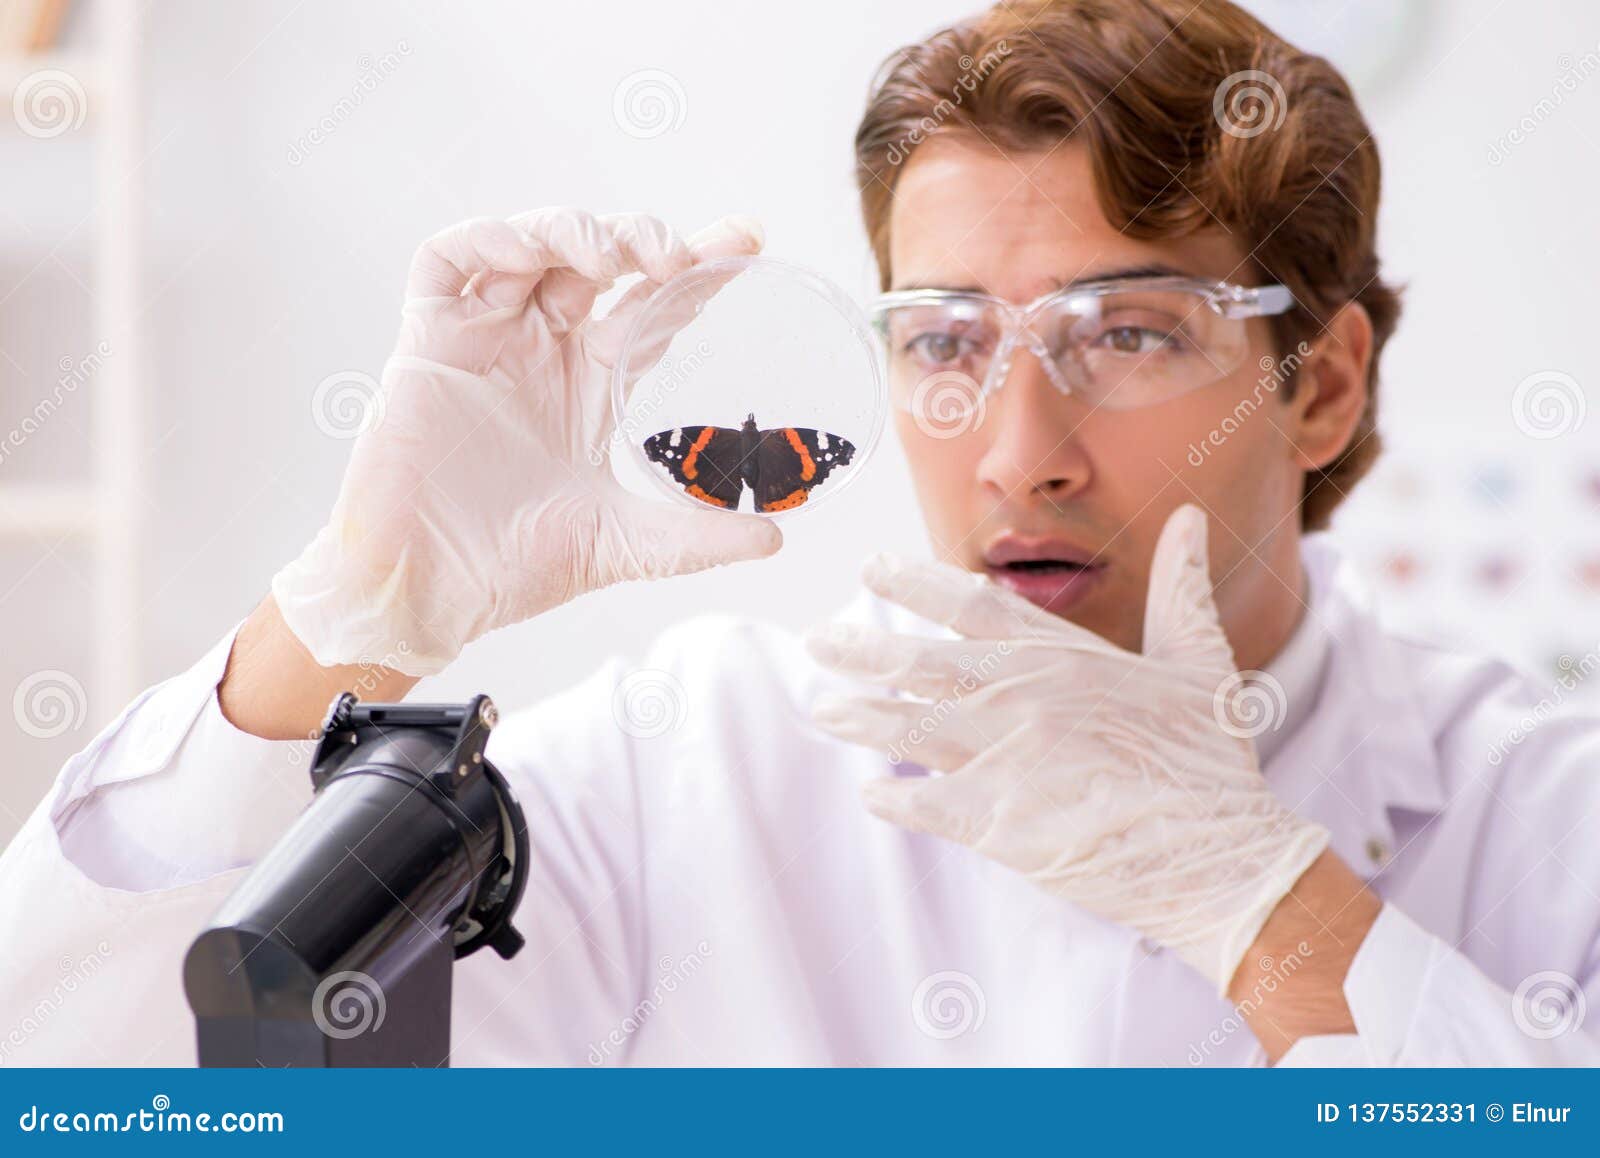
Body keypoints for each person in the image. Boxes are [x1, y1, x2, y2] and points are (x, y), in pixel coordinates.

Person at [2, 0, 1597, 1067]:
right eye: (947, 338)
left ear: (1315, 385)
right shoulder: (691, 765)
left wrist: (1266, 903)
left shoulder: (1550, 820)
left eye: (1127, 331)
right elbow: (111, 1077)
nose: (1021, 456)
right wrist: (347, 608)